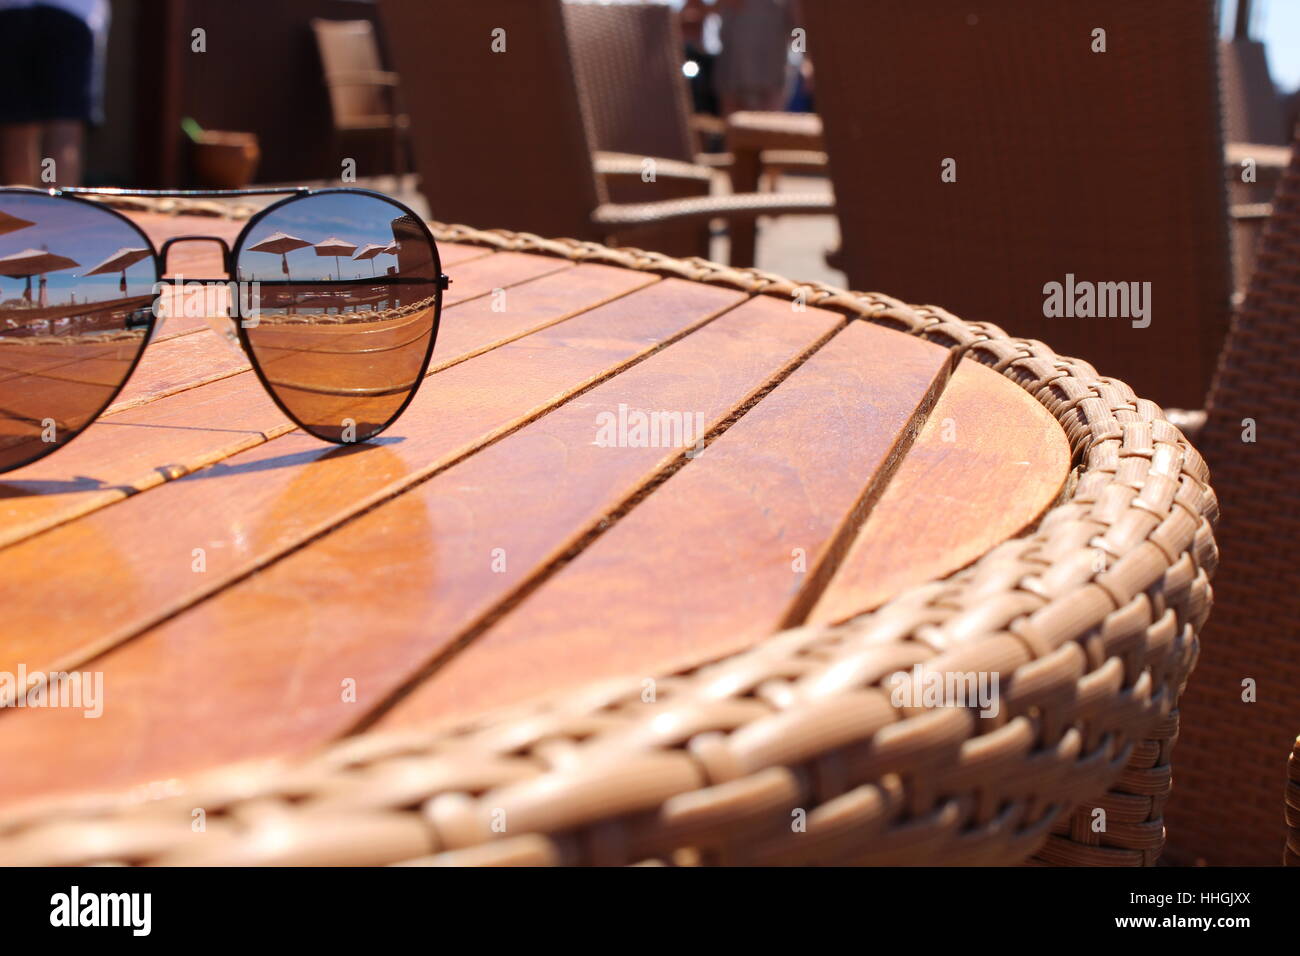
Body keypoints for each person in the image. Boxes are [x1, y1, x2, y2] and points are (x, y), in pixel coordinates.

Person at [0, 0, 110, 186]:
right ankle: (51, 209)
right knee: (61, 126)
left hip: (11, 11)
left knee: (17, 125)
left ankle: (25, 211)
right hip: (72, 10)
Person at [714, 0, 798, 115]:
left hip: (770, 82)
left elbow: (799, 29)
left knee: (768, 127)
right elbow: (710, 11)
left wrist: (803, 58)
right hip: (733, 79)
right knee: (735, 129)